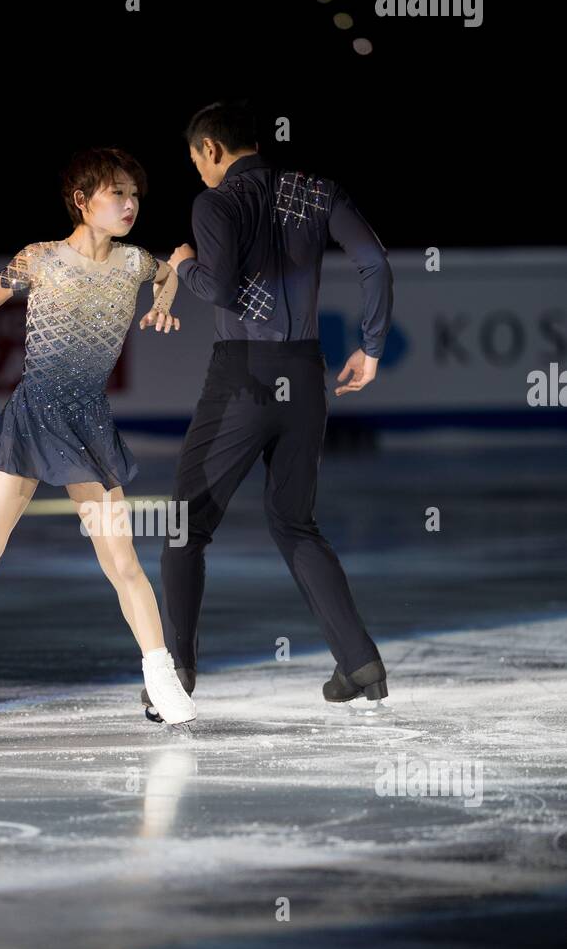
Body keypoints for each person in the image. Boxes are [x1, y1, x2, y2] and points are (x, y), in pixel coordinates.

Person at [0, 146, 196, 740]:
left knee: (123, 563)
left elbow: (177, 262)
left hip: (88, 424)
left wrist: (165, 300)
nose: (129, 203)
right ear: (82, 201)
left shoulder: (136, 262)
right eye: (116, 193)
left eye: (135, 194)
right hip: (30, 417)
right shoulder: (38, 258)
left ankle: (164, 686)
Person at [141, 99, 394, 718]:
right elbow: (374, 262)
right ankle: (359, 663)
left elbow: (219, 287)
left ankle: (176, 678)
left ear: (211, 150)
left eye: (196, 158)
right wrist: (371, 347)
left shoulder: (215, 202)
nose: (198, 169)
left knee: (185, 525)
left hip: (243, 379)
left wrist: (183, 264)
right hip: (306, 374)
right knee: (294, 522)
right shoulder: (315, 190)